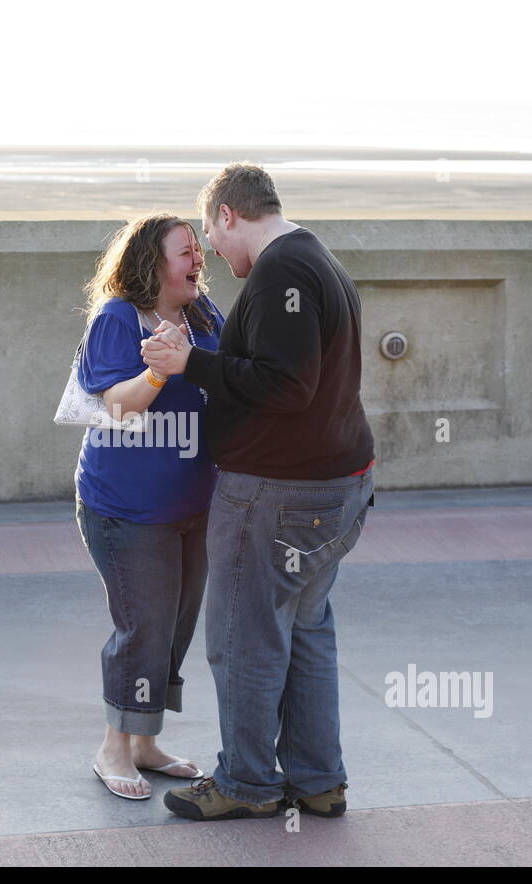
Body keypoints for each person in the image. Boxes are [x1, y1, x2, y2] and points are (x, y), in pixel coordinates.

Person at [141, 163, 376, 820]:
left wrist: (190, 362)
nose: (212, 254)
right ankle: (318, 780)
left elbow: (285, 384)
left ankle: (246, 782)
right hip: (338, 485)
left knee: (242, 636)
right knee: (304, 631)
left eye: (211, 239)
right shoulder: (316, 257)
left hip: (281, 494)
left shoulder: (283, 273)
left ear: (228, 216)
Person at [73, 213, 226, 799]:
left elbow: (227, 376)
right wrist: (160, 371)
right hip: (126, 510)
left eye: (198, 249)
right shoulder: (117, 317)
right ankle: (114, 746)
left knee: (177, 625)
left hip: (195, 503)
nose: (197, 260)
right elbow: (118, 407)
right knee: (144, 626)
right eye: (185, 252)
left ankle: (145, 741)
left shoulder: (204, 313)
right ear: (150, 262)